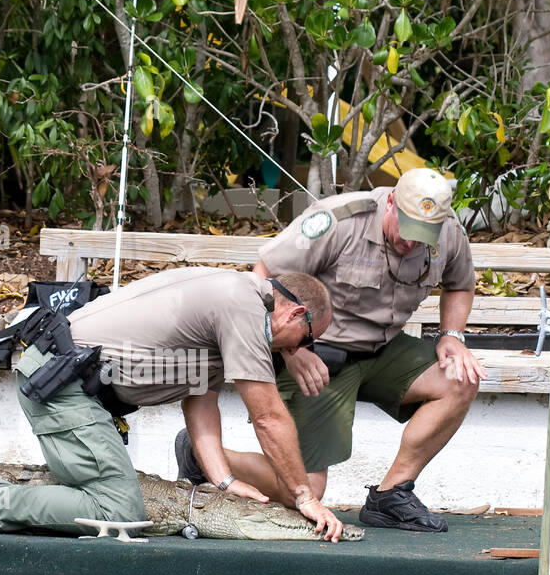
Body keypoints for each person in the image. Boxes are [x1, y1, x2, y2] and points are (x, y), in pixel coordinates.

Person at [0, 265, 345, 542]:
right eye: (307, 340)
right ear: (293, 314)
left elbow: (201, 401)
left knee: (111, 497)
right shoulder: (243, 308)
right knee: (121, 512)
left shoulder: (233, 297)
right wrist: (305, 496)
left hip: (78, 388)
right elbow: (267, 417)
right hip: (61, 385)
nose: (298, 352)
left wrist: (224, 481)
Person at [186, 167, 485, 533]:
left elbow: (460, 284)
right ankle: (202, 458)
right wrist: (293, 351)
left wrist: (451, 335)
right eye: (406, 230)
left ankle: (391, 495)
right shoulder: (340, 220)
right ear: (390, 203)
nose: (411, 243)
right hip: (318, 354)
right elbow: (262, 280)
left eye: (422, 237)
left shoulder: (448, 228)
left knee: (460, 379)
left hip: (382, 349)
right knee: (307, 490)